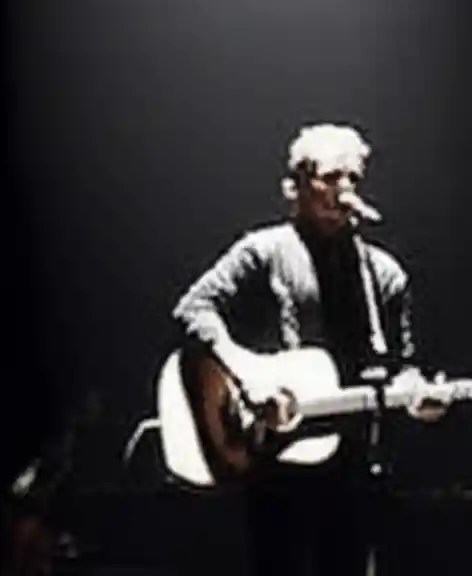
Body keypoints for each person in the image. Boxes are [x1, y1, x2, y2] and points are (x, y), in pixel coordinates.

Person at [171, 123, 446, 576]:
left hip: (356, 464)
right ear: (295, 185)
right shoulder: (261, 252)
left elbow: (405, 367)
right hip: (276, 458)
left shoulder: (385, 274)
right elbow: (193, 308)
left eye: (353, 178)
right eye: (330, 176)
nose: (344, 189)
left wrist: (418, 396)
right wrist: (246, 375)